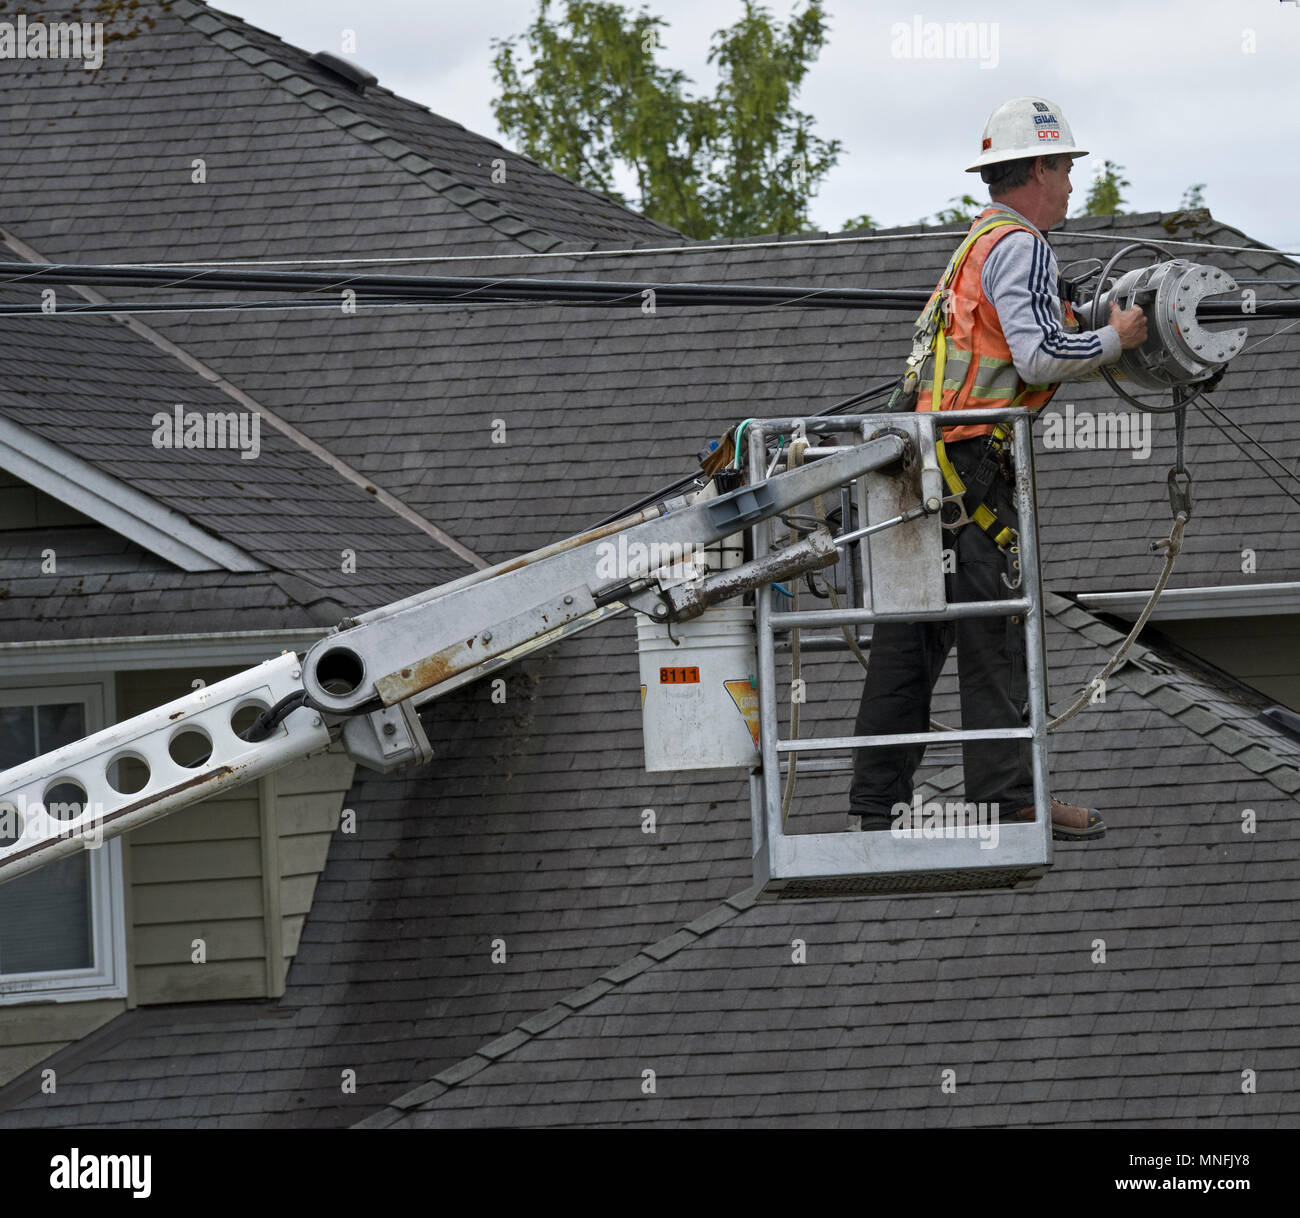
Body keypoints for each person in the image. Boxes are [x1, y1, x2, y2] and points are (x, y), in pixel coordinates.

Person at [850, 96, 1148, 842]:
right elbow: (1037, 356)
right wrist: (1114, 337)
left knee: (910, 638)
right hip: (972, 470)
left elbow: (1014, 336)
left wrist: (1073, 321)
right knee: (996, 633)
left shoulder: (979, 244)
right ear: (1038, 169)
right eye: (1067, 169)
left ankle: (874, 803)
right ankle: (1011, 799)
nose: (1073, 186)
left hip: (920, 465)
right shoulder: (1022, 244)